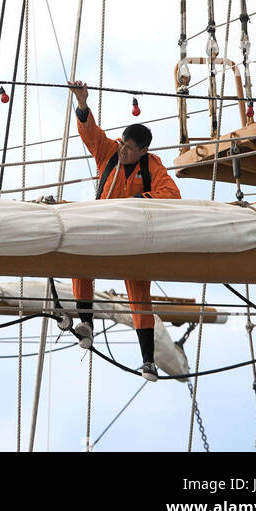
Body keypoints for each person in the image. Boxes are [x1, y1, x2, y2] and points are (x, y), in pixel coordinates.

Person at [68, 80, 181, 381]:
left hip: (132, 236)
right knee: (80, 264)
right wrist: (82, 104)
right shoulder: (109, 152)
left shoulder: (152, 167)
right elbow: (91, 134)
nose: (123, 151)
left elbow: (171, 196)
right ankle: (86, 325)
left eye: (130, 149)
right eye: (123, 145)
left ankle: (148, 362)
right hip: (102, 228)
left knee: (140, 295)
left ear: (143, 151)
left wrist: (134, 203)